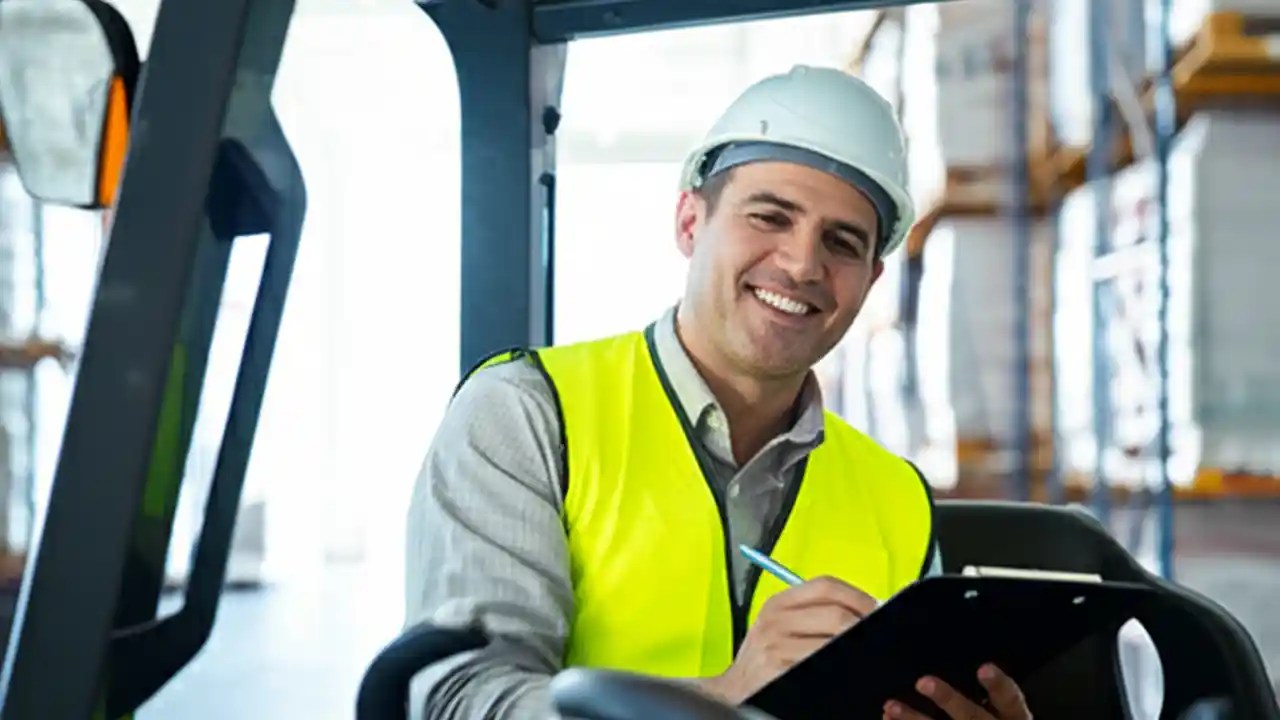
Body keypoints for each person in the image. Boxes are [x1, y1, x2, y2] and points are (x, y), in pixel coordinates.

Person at [404, 65, 1032, 720]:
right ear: (689, 222)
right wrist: (724, 700)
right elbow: (460, 702)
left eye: (841, 242)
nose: (801, 264)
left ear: (870, 281)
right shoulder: (529, 416)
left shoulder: (895, 498)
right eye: (770, 216)